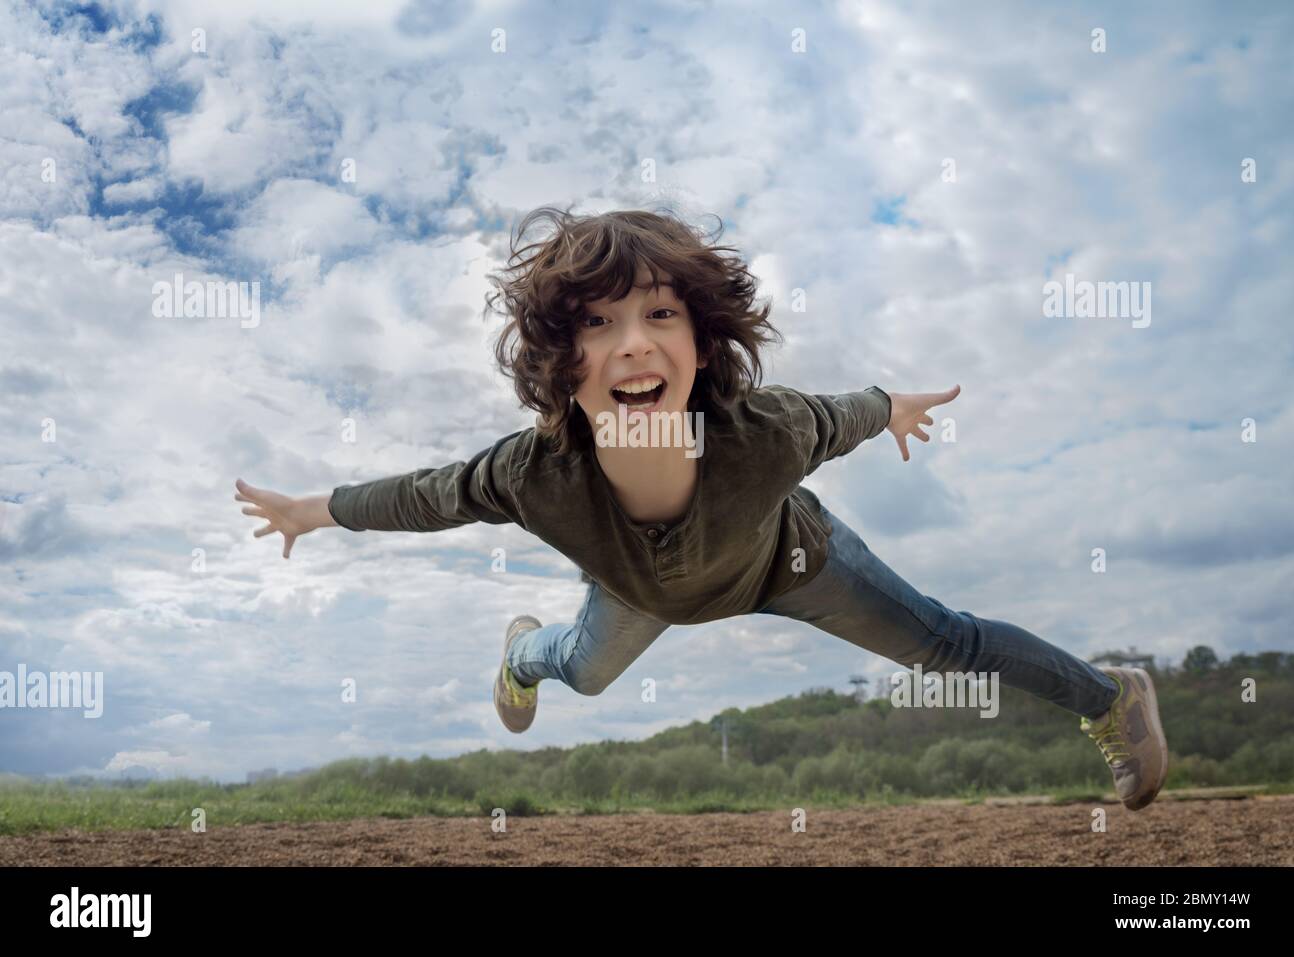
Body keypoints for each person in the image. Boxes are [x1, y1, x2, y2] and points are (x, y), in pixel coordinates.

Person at [234, 206, 1168, 811]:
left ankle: (1112, 697)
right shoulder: (535, 474)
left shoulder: (764, 432)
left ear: (702, 340)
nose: (633, 345)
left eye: (660, 315)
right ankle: (520, 651)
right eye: (597, 324)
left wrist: (898, 407)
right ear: (560, 359)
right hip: (637, 589)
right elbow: (425, 494)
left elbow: (849, 412)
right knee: (582, 672)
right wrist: (311, 511)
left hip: (792, 564)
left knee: (944, 641)